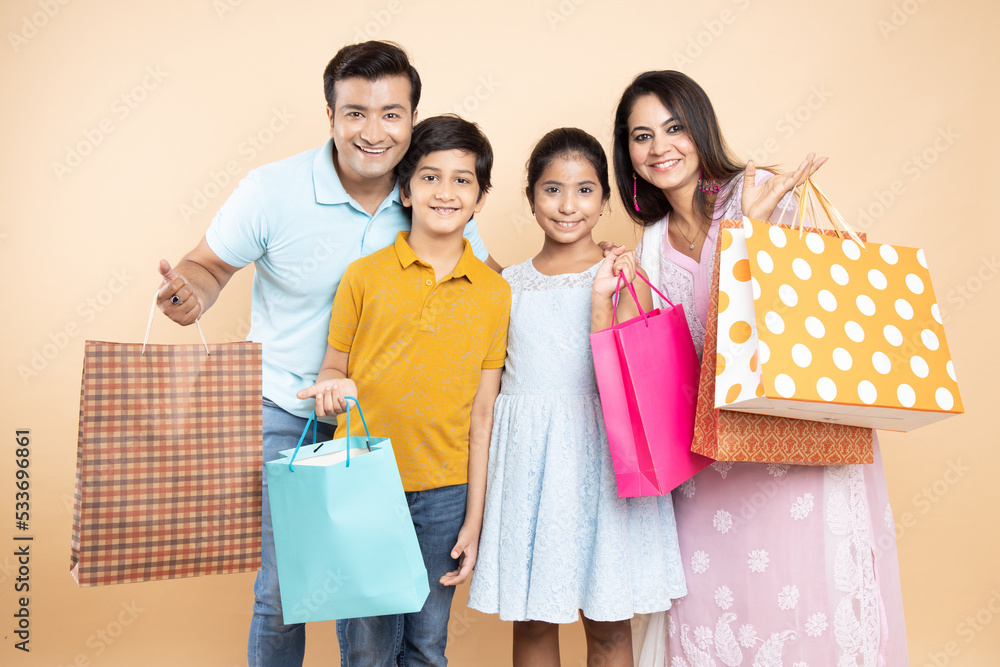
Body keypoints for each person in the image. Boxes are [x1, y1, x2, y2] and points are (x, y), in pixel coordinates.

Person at [154, 42, 493, 667]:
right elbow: (204, 268)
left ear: (412, 119)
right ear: (331, 117)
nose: (373, 130)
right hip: (290, 411)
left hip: (391, 423)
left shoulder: (432, 190)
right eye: (355, 113)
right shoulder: (271, 191)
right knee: (285, 591)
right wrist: (188, 295)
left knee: (375, 592)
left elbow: (485, 284)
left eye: (391, 113)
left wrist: (576, 273)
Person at [612, 70, 908, 666]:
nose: (660, 147)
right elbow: (670, 370)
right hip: (709, 464)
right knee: (721, 614)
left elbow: (819, 318)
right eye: (641, 137)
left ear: (701, 128)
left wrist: (747, 232)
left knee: (804, 604)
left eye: (674, 128)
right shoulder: (649, 243)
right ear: (629, 156)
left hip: (793, 447)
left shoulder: (767, 192)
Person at [296, 114, 511, 667]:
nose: (446, 192)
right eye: (431, 177)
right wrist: (330, 389)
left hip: (446, 492)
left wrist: (474, 518)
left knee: (427, 644)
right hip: (363, 481)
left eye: (463, 180)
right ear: (406, 189)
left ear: (480, 198)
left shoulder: (495, 293)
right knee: (365, 647)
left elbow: (484, 412)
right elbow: (331, 369)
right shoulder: (364, 277)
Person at [468, 127, 687, 667]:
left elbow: (633, 379)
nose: (569, 206)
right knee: (535, 623)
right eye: (552, 190)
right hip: (528, 468)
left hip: (604, 464)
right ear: (531, 198)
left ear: (606, 200)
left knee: (610, 627)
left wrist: (603, 294)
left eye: (586, 190)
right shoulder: (507, 285)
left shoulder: (623, 275)